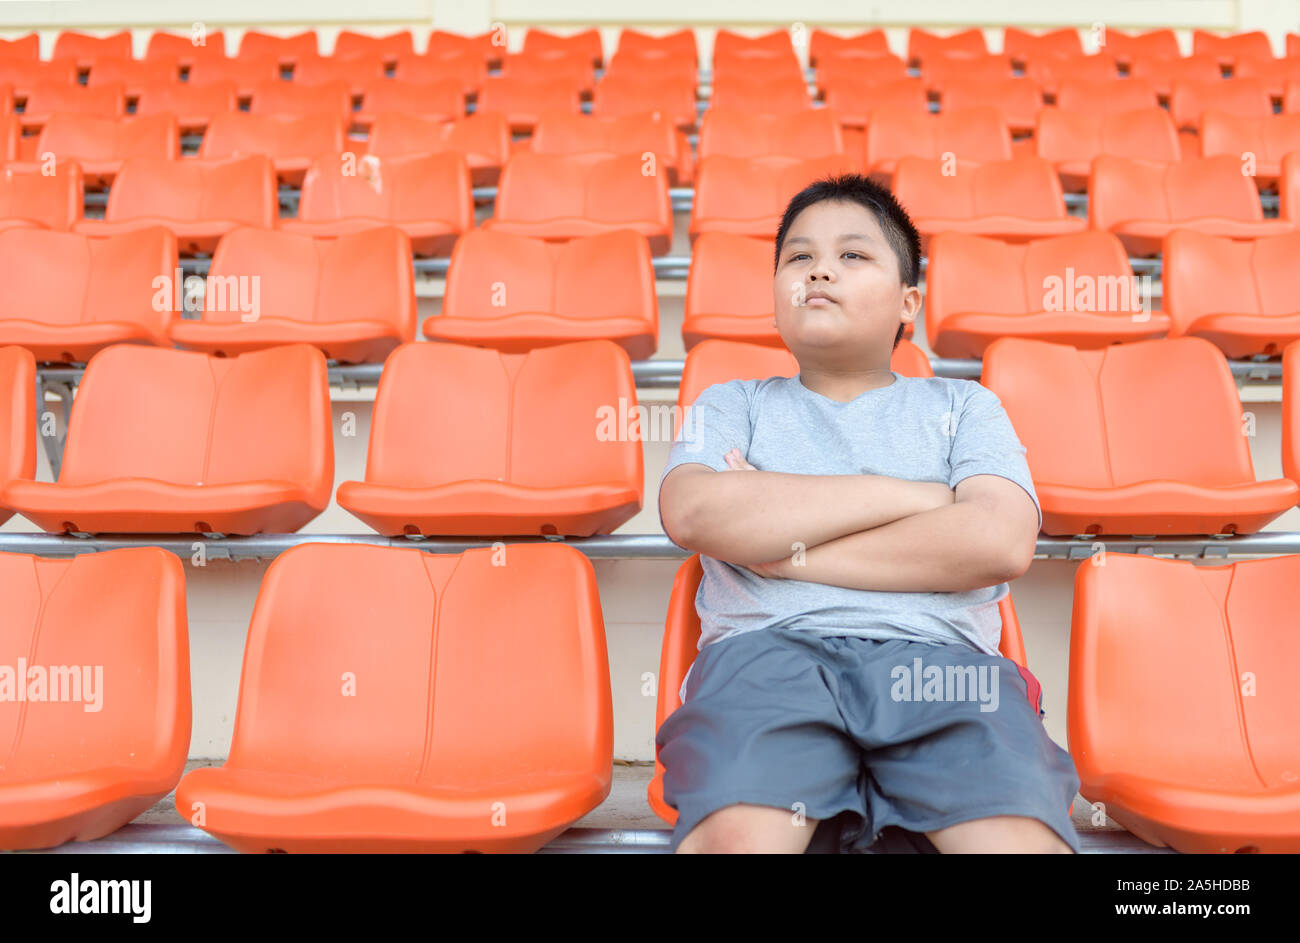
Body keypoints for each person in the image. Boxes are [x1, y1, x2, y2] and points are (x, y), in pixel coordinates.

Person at [656, 173, 1081, 854]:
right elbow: (693, 509)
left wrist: (782, 545)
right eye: (798, 257)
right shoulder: (731, 400)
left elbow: (999, 539)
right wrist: (916, 496)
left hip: (943, 665)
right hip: (768, 657)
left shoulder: (966, 407)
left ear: (908, 300)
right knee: (739, 836)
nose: (820, 267)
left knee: (1017, 840)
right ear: (775, 299)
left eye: (854, 255)